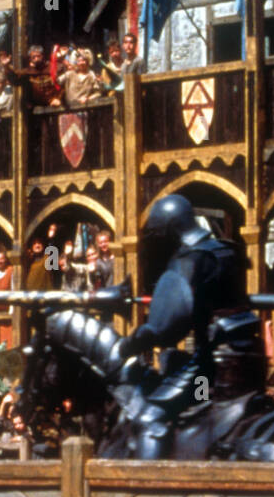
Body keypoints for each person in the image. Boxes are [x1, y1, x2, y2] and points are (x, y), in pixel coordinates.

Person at [101, 194, 261, 460]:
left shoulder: (188, 261)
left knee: (150, 416)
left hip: (211, 367)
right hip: (251, 362)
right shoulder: (226, 250)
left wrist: (128, 345)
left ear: (169, 230)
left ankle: (147, 490)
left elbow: (162, 330)